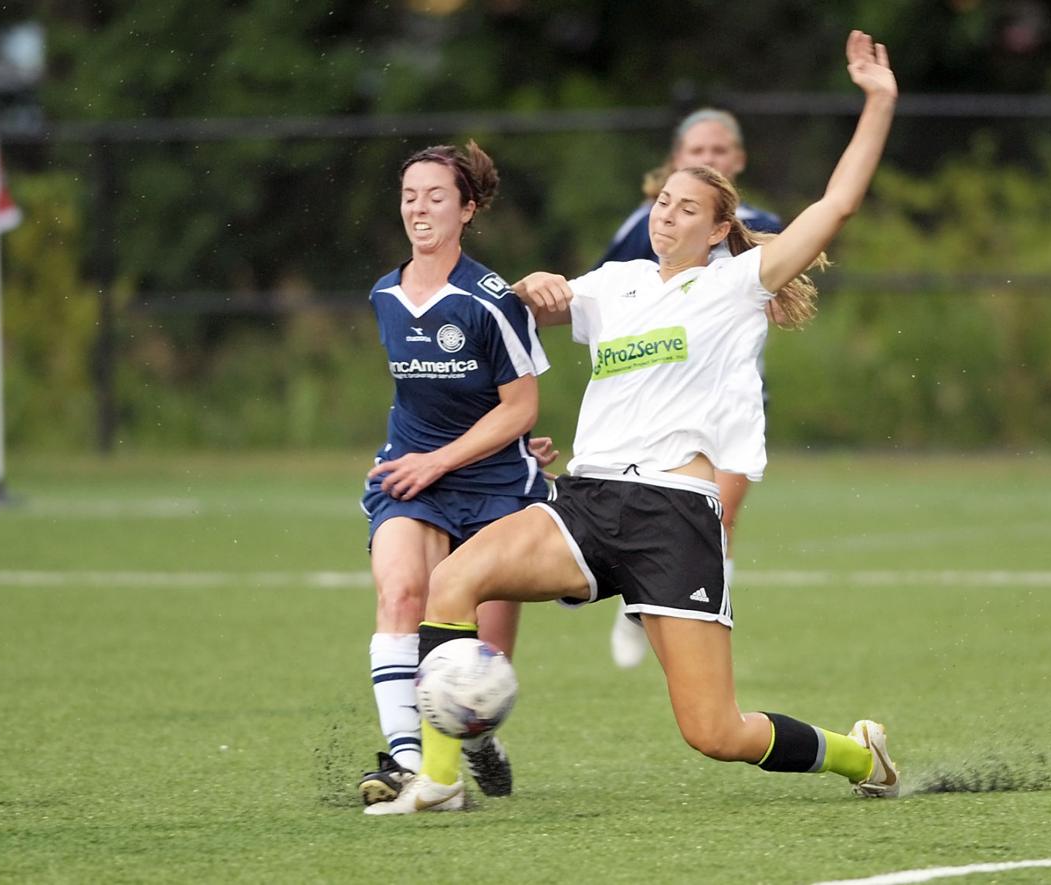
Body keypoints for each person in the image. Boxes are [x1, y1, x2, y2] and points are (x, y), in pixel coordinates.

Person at [364, 30, 901, 815]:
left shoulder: (737, 285)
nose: (667, 215)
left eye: (688, 208)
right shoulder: (613, 283)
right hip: (585, 501)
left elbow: (838, 203)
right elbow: (512, 327)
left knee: (714, 730)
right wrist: (540, 288)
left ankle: (859, 753)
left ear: (719, 228)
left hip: (673, 517)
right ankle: (439, 778)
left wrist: (879, 101)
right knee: (454, 579)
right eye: (661, 202)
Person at [356, 141, 551, 814]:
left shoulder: (491, 299)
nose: (420, 208)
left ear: (466, 209)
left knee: (479, 660)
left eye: (436, 196)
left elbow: (521, 405)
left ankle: (474, 742)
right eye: (410, 196)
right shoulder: (384, 294)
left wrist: (471, 452)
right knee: (402, 591)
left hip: (499, 489)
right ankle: (407, 762)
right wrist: (425, 461)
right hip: (413, 477)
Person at [598, 108, 784, 669]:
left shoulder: (757, 224)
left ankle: (698, 632)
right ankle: (640, 602)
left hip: (730, 397)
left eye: (720, 151)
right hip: (659, 404)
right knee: (663, 518)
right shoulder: (643, 227)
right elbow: (609, 300)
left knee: (719, 515)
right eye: (697, 151)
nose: (709, 158)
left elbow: (775, 294)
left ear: (739, 161)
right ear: (677, 160)